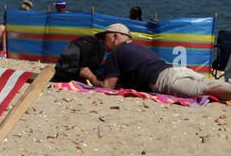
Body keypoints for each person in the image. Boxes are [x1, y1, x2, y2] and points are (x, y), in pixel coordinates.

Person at [92, 24, 231, 102]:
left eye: (104, 38)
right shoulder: (139, 47)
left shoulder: (115, 54)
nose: (102, 42)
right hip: (177, 70)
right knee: (212, 84)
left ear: (116, 37)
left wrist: (89, 76)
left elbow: (107, 87)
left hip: (163, 79)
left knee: (206, 90)